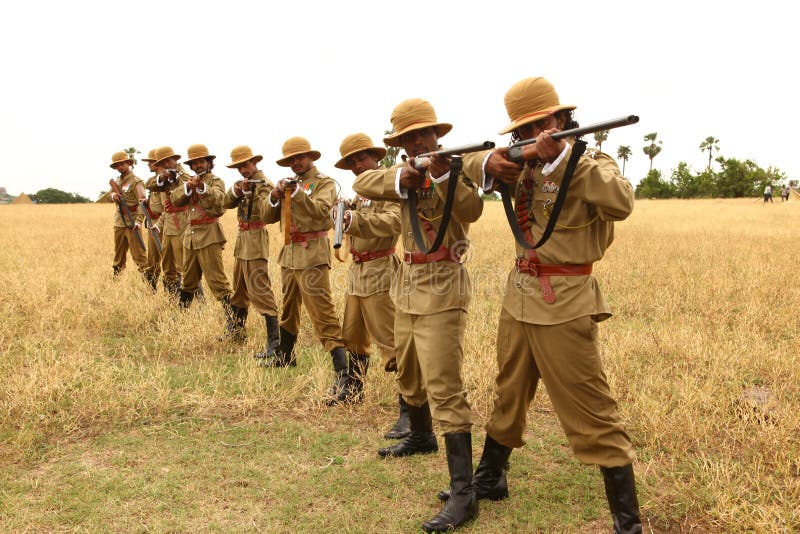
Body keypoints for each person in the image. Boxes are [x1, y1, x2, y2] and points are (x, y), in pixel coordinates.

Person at [458, 76, 642, 533]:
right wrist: (492, 164)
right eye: (520, 130)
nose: (529, 135)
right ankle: (490, 477)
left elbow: (622, 202)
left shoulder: (589, 163)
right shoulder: (519, 162)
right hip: (519, 293)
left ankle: (628, 522)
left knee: (591, 407)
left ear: (561, 120)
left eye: (540, 124)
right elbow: (468, 163)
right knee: (509, 388)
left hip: (565, 301)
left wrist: (560, 158)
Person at [352, 99, 483, 532]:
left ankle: (464, 493)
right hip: (406, 281)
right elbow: (365, 184)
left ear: (436, 135)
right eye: (407, 138)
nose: (416, 142)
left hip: (443, 281)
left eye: (421, 134)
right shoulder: (398, 174)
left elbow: (471, 210)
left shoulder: (453, 168)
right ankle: (421, 435)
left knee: (444, 382)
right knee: (408, 368)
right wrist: (400, 175)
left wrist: (442, 173)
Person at [261, 137, 349, 405]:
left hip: (312, 254)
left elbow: (320, 213)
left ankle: (343, 372)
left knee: (322, 312)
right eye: (290, 160)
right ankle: (286, 356)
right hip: (289, 253)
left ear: (311, 157)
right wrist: (275, 196)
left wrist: (297, 195)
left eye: (299, 158)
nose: (295, 163)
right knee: (288, 307)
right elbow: (266, 216)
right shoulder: (290, 184)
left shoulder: (325, 183)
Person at [332, 133, 407, 432]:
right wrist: (342, 214)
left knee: (393, 343)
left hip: (380, 270)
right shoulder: (362, 191)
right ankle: (354, 389)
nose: (357, 165)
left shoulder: (390, 186)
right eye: (351, 161)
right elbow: (356, 220)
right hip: (358, 270)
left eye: (361, 158)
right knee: (353, 335)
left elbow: (395, 221)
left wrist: (356, 221)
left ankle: (410, 411)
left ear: (377, 157)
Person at [170, 144, 236, 335]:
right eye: (194, 162)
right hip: (190, 236)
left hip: (209, 234)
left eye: (201, 161)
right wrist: (188, 188)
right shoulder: (188, 182)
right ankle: (180, 319)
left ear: (208, 162)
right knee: (188, 281)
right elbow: (175, 199)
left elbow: (220, 203)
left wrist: (202, 188)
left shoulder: (216, 181)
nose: (198, 165)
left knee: (218, 282)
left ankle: (234, 324)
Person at [223, 145, 280, 361]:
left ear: (254, 163)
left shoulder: (265, 185)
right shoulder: (243, 184)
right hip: (242, 240)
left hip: (256, 239)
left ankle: (274, 343)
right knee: (239, 289)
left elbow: (267, 211)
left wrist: (252, 192)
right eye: (239, 167)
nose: (243, 170)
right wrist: (238, 190)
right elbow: (225, 203)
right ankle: (236, 331)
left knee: (260, 290)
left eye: (245, 165)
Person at [147, 146, 192, 297]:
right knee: (168, 266)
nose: (165, 164)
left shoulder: (184, 175)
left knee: (184, 266)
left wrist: (176, 179)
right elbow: (150, 184)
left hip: (182, 224)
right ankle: (172, 297)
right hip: (168, 226)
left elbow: (185, 191)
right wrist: (163, 178)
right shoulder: (163, 177)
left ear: (175, 160)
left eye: (168, 161)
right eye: (162, 162)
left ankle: (196, 300)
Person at [108, 151, 148, 278]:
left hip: (132, 222)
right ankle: (116, 278)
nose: (120, 167)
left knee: (139, 255)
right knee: (118, 254)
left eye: (122, 164)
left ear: (128, 163)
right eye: (117, 165)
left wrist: (138, 221)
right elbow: (108, 196)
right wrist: (113, 195)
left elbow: (142, 203)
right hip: (119, 221)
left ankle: (149, 282)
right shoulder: (117, 181)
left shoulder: (136, 181)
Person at [141, 149, 163, 292]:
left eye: (151, 162)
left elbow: (168, 207)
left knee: (170, 262)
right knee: (152, 261)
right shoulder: (156, 181)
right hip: (153, 224)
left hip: (163, 224)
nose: (148, 164)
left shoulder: (163, 182)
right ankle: (151, 290)